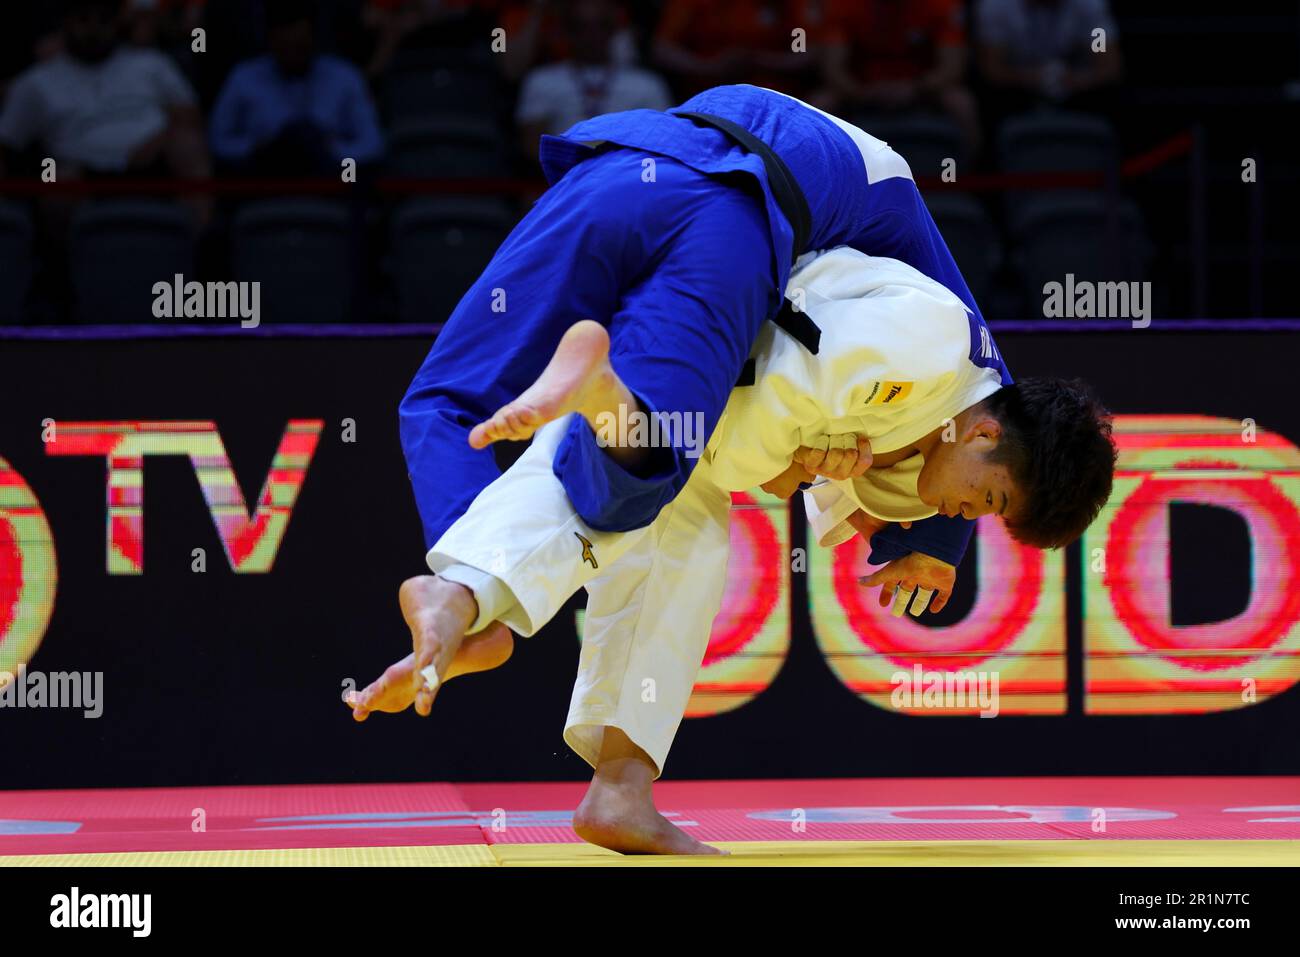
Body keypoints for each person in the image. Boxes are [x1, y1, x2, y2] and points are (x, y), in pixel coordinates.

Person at [348, 245, 1117, 854]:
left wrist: (862, 510)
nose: (964, 513)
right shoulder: (939, 339)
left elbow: (835, 464)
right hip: (719, 351)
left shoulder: (944, 407)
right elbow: (803, 382)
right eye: (986, 501)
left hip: (731, 386)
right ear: (985, 434)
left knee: (678, 553)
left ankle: (596, 759)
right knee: (639, 472)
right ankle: (504, 547)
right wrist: (801, 461)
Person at [400, 83, 1006, 647]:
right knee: (648, 473)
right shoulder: (907, 257)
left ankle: (459, 588)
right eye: (987, 500)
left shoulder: (865, 184)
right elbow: (987, 381)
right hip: (728, 216)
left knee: (443, 398)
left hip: (613, 168)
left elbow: (980, 409)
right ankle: (591, 405)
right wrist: (937, 543)